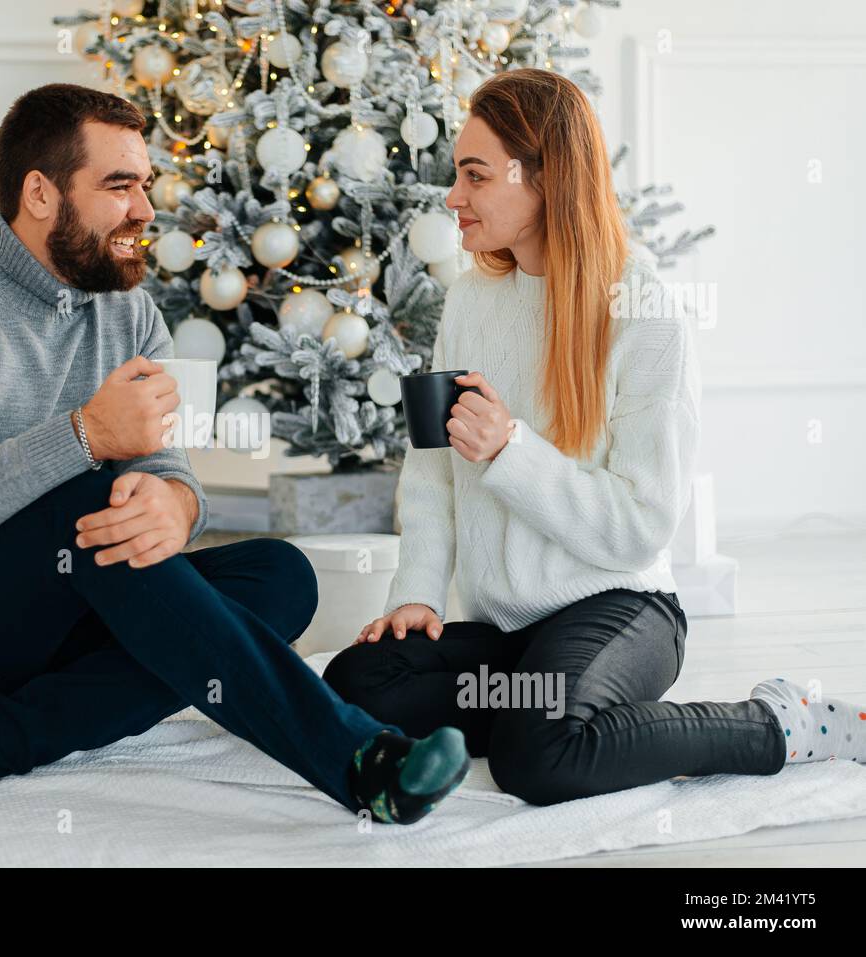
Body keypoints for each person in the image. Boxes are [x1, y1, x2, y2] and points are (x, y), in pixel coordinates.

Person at [0, 83, 469, 823]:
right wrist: (85, 436)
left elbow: (165, 470)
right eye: (118, 186)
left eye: (145, 185)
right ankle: (362, 762)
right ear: (40, 193)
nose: (145, 211)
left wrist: (176, 504)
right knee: (88, 504)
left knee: (279, 577)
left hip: (53, 617)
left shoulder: (130, 315)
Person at [323, 68, 866, 806]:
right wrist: (417, 590)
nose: (453, 198)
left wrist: (511, 451)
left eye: (475, 176)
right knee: (355, 682)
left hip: (618, 606)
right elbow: (431, 469)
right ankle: (547, 709)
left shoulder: (642, 307)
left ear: (546, 178)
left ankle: (778, 722)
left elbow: (642, 528)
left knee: (538, 759)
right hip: (507, 629)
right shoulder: (472, 298)